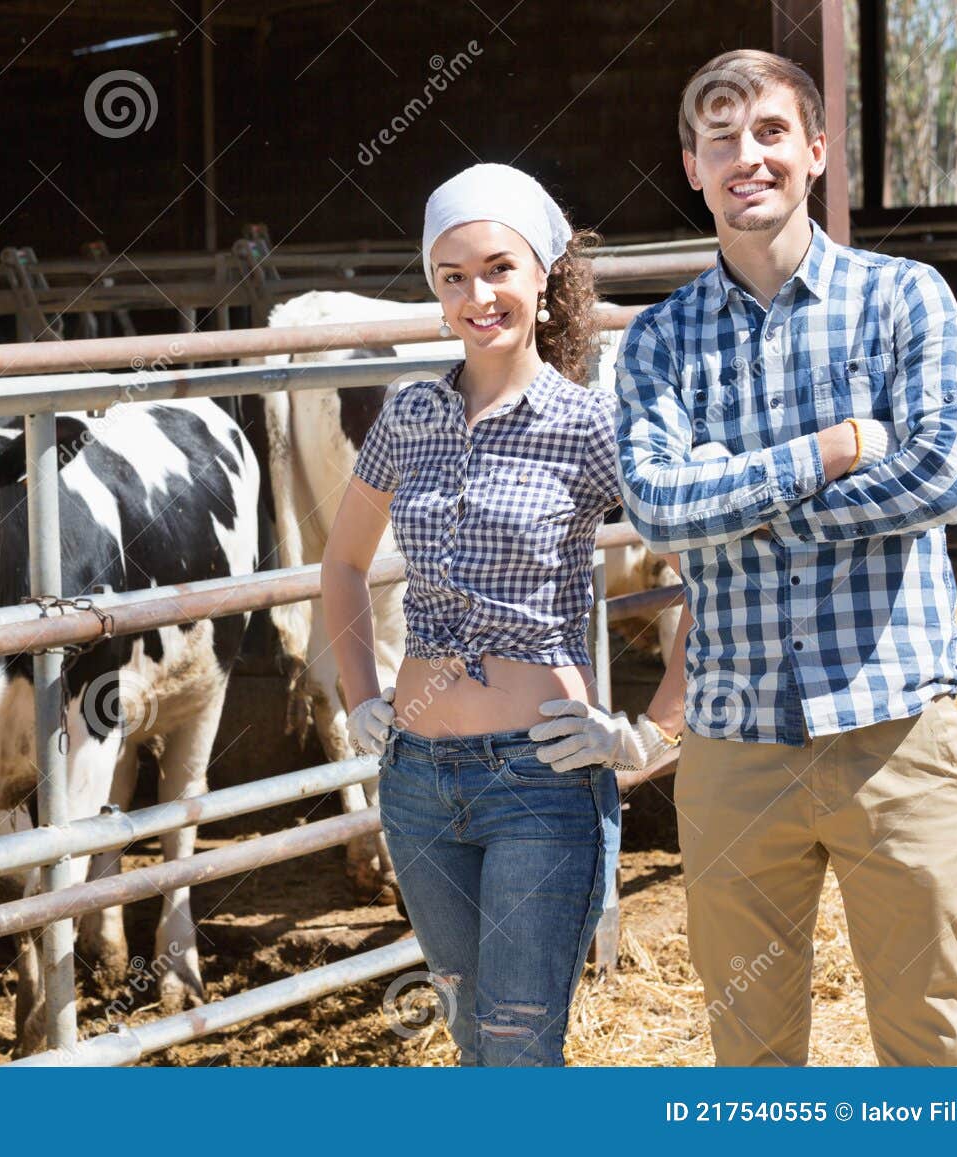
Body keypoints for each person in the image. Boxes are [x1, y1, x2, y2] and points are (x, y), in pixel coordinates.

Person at [592, 48, 957, 1066]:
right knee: (751, 1054)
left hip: (892, 732)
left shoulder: (906, 298)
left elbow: (946, 479)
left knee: (926, 1040)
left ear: (814, 150)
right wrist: (828, 452)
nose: (745, 157)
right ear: (690, 165)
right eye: (719, 138)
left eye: (769, 132)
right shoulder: (656, 343)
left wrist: (742, 496)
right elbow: (661, 513)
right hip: (732, 746)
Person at [320, 162, 691, 1066]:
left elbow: (704, 574)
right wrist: (361, 694)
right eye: (452, 277)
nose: (476, 295)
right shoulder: (409, 416)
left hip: (541, 779)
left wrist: (648, 733)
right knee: (469, 1030)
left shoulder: (590, 424)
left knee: (520, 1044)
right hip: (415, 782)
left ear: (543, 278)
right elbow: (342, 564)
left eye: (497, 268)